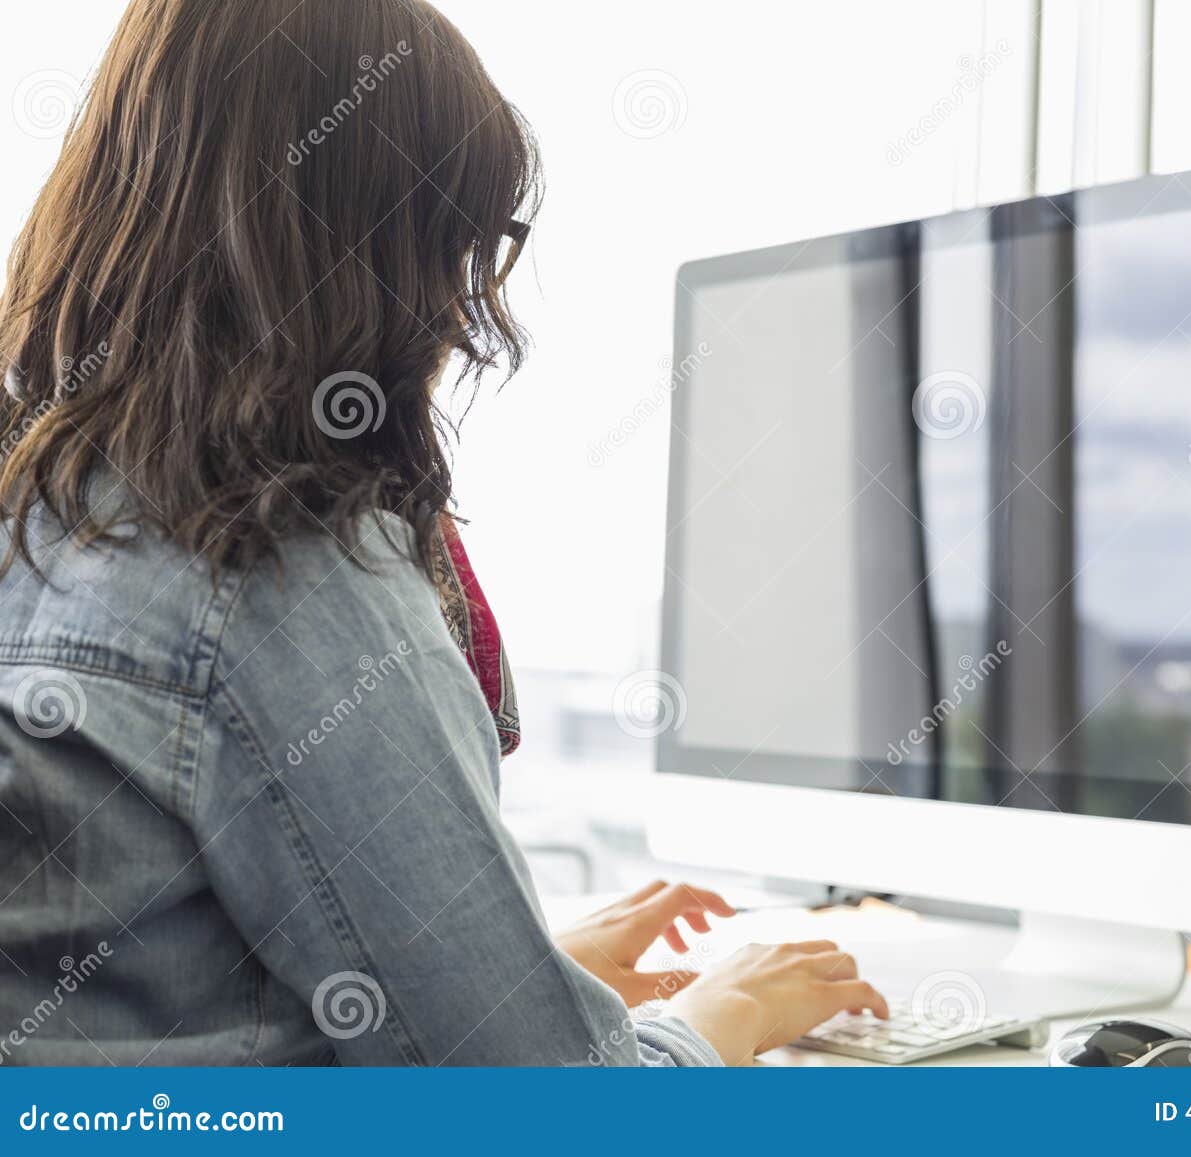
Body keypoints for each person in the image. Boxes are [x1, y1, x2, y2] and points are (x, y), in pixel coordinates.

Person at [0, 0, 885, 1066]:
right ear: (381, 249)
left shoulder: (44, 511)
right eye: (467, 240)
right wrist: (720, 1014)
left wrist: (516, 969)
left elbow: (146, 985)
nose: (467, 312)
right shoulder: (272, 568)